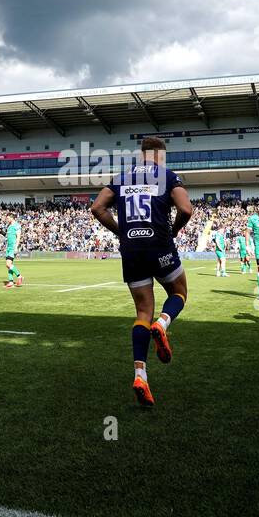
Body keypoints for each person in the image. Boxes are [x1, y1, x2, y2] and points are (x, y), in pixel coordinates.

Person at [90, 137, 192, 407]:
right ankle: (164, 324)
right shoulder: (167, 175)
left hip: (131, 249)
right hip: (159, 243)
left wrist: (121, 231)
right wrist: (175, 229)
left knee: (142, 313)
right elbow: (185, 209)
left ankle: (140, 375)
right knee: (179, 292)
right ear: (161, 155)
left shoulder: (121, 177)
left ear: (142, 154)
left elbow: (97, 207)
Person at [2, 211, 23, 287]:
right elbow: (7, 237)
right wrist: (2, 233)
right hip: (8, 247)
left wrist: (16, 247)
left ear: (12, 218)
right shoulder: (9, 226)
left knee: (8, 264)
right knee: (9, 265)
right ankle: (11, 281)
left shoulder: (17, 225)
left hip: (13, 247)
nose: (7, 219)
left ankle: (19, 276)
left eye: (8, 218)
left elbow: (18, 237)